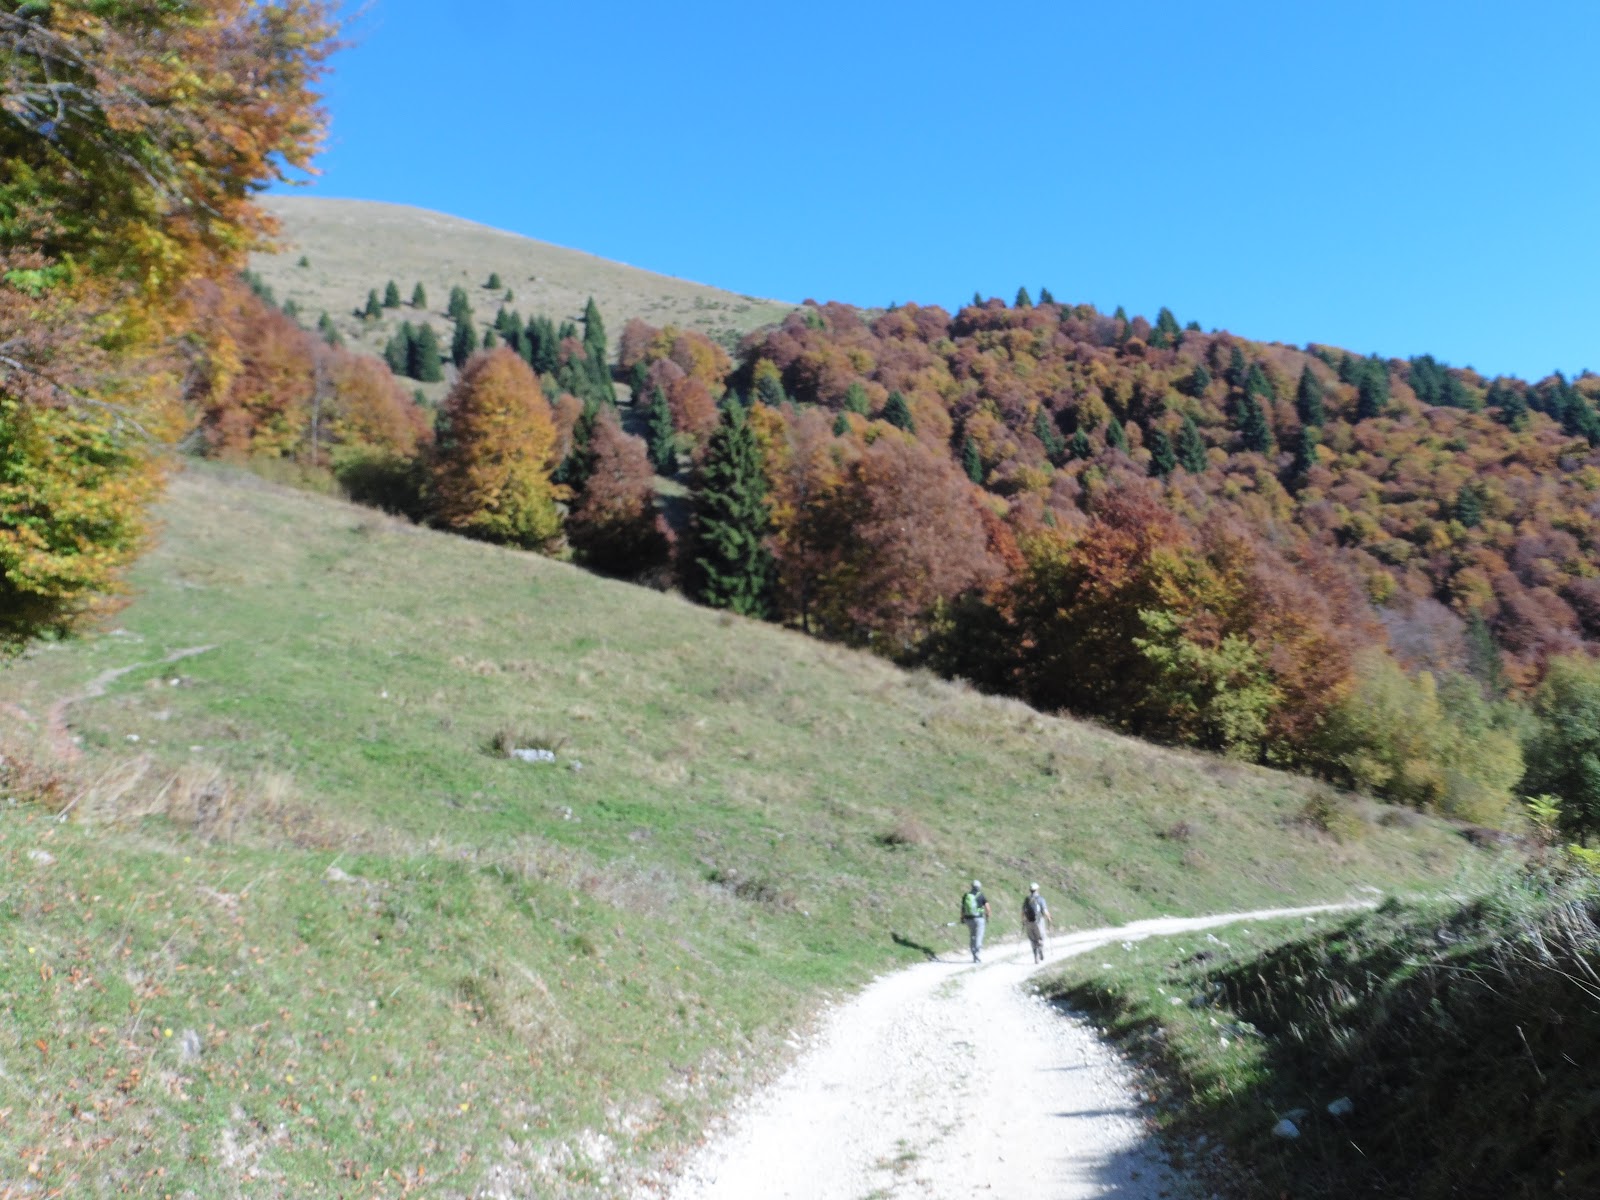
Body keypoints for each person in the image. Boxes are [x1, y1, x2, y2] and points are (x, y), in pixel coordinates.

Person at [960, 880, 990, 963]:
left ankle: (973, 953)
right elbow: (987, 908)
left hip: (968, 919)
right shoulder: (981, 895)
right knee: (978, 937)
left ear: (971, 886)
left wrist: (962, 918)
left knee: (972, 936)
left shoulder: (966, 895)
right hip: (979, 919)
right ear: (979, 887)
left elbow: (963, 908)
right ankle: (976, 955)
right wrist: (987, 917)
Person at [1022, 882, 1050, 963]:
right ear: (1037, 890)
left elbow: (1023, 911)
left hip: (1029, 922)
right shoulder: (1041, 899)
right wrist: (1049, 918)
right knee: (1041, 937)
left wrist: (1023, 920)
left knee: (1032, 939)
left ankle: (1036, 957)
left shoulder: (1026, 900)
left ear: (1030, 890)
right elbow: (1044, 911)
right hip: (1038, 921)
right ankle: (1040, 948)